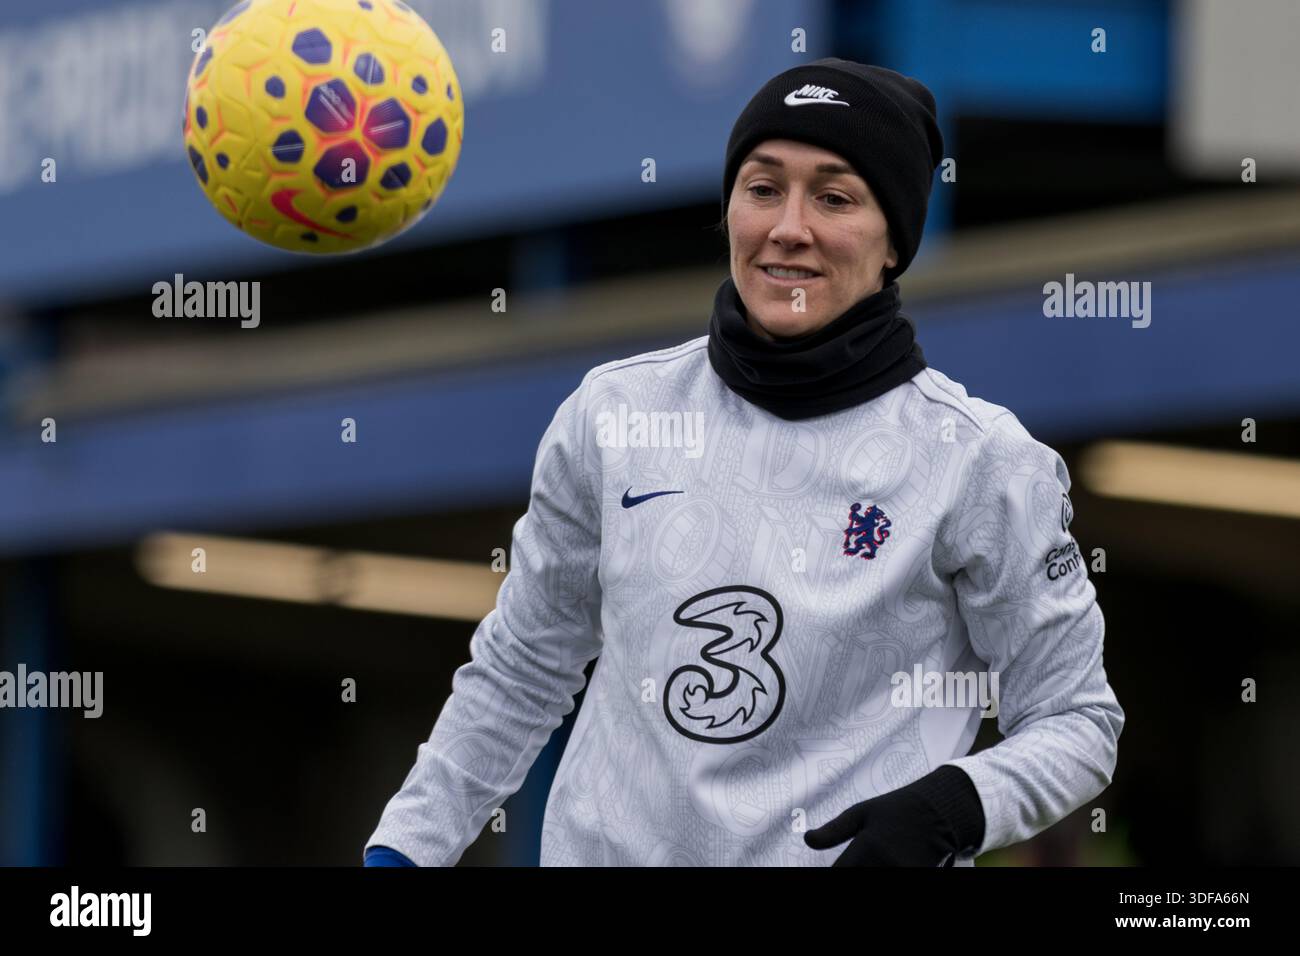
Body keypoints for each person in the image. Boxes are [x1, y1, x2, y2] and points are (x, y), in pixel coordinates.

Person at [364, 58, 1124, 867]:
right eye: (763, 188)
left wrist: (954, 807)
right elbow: (521, 672)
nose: (787, 228)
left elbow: (1078, 722)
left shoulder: (982, 462)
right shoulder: (613, 415)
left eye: (834, 198)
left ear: (895, 242)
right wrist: (404, 851)